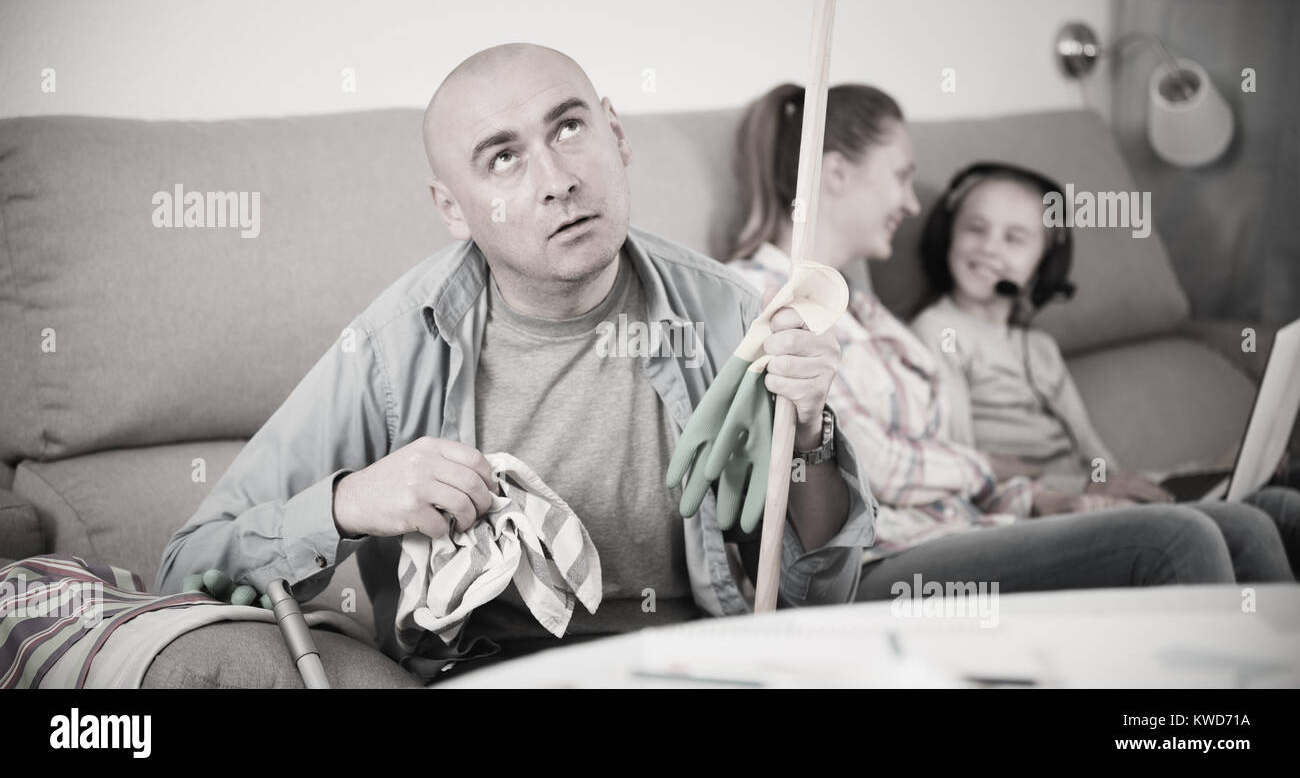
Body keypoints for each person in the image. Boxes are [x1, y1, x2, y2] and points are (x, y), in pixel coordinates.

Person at [154, 44, 878, 683]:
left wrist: (809, 433)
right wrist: (350, 502)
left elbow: (819, 600)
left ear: (616, 133)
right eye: (503, 157)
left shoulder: (730, 315)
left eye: (569, 128)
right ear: (453, 208)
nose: (557, 179)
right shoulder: (392, 348)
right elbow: (188, 564)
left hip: (692, 669)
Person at [725, 82, 1238, 599]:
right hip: (879, 558)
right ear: (836, 173)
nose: (910, 201)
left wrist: (1040, 499)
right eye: (902, 176)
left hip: (963, 527)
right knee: (1176, 539)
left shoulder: (865, 309)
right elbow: (869, 467)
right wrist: (992, 468)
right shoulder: (764, 300)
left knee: (1250, 524)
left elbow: (943, 460)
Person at [908, 162, 1297, 580]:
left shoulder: (1037, 346)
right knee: (1248, 529)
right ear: (946, 234)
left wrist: (1199, 474)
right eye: (975, 228)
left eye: (1014, 238)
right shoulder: (938, 332)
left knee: (1278, 506)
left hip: (1090, 494)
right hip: (1035, 506)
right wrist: (1081, 491)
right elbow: (962, 464)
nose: (989, 247)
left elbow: (1098, 462)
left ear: (1045, 262)